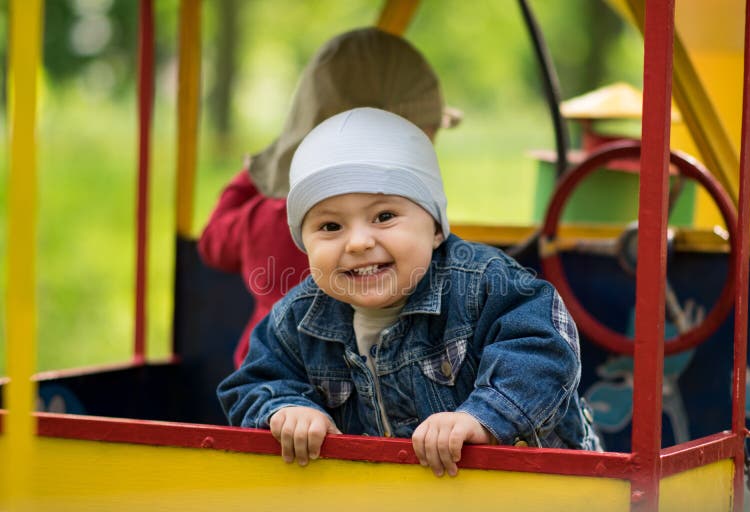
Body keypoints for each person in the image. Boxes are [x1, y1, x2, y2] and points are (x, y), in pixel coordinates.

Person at [218, 107, 601, 477]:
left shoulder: (482, 283)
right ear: (303, 243)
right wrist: (287, 408)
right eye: (330, 226)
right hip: (397, 501)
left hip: (540, 491)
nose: (358, 242)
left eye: (384, 217)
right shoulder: (299, 316)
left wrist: (481, 417)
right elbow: (254, 380)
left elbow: (543, 347)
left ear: (435, 228)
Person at [198, 27, 453, 368]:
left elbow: (213, 244)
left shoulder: (264, 215)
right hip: (364, 378)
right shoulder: (406, 217)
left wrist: (259, 169)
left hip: (266, 379)